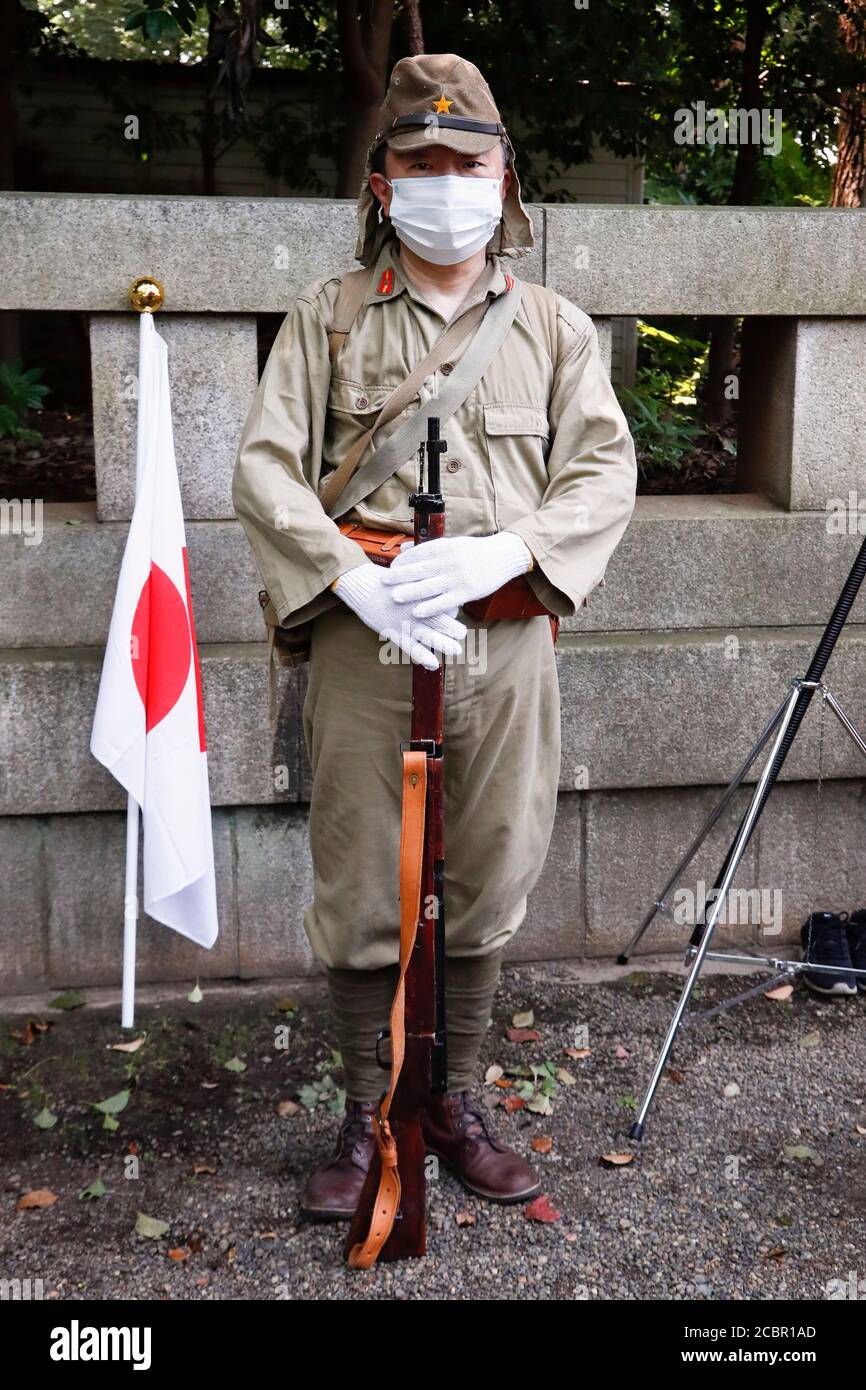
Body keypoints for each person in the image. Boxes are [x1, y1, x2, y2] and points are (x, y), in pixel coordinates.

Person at [232, 52, 638, 1220]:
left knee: (489, 869)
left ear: (502, 179)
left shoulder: (553, 328)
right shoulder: (329, 317)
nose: (444, 182)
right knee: (363, 878)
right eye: (419, 163)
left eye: (466, 163)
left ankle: (450, 1103)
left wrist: (512, 553)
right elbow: (265, 470)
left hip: (502, 649)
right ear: (381, 185)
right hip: (369, 644)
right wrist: (343, 585)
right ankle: (369, 1114)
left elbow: (603, 470)